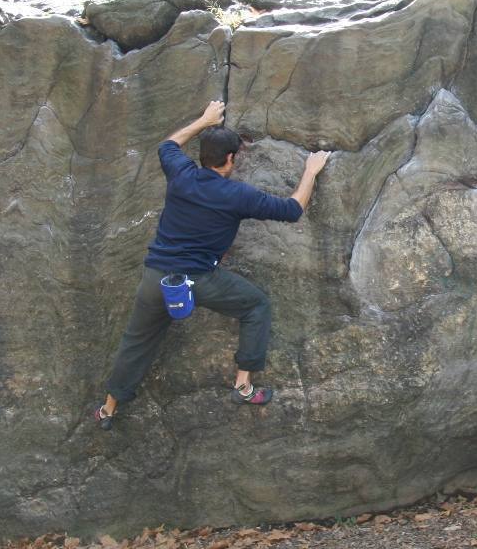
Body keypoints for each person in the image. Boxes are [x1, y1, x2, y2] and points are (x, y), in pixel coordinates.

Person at [93, 100, 331, 427]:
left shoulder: (180, 173)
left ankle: (108, 409)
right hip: (198, 280)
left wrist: (205, 121)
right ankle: (243, 385)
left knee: (136, 342)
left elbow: (168, 144)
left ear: (201, 156)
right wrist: (310, 171)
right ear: (231, 159)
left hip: (156, 278)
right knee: (256, 305)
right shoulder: (236, 195)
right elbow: (292, 209)